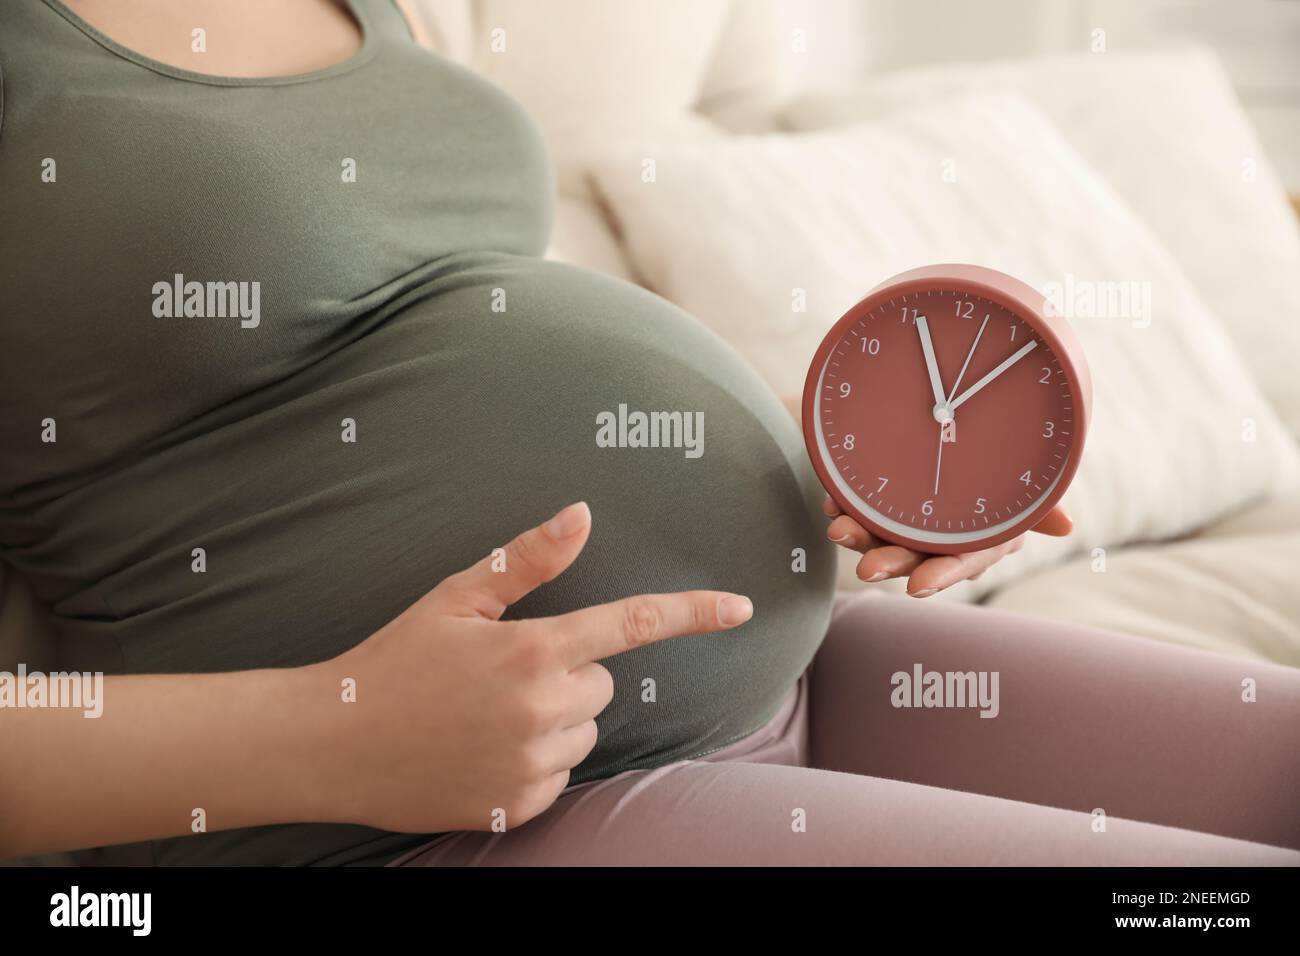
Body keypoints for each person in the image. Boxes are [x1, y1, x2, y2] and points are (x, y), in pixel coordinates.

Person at [1, 0, 1295, 866]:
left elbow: (430, 350)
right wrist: (336, 735)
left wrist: (842, 470)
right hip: (431, 815)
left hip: (785, 665)